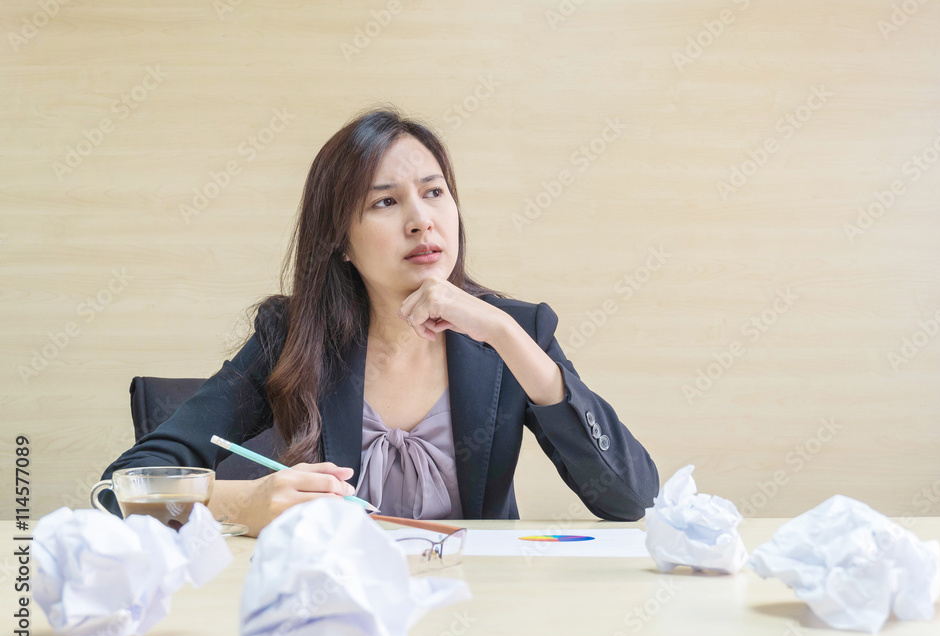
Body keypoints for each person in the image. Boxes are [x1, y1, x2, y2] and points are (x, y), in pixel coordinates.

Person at [100, 105, 660, 536]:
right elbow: (119, 489)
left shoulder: (514, 332)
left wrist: (506, 337)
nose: (422, 221)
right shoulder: (293, 337)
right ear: (340, 241)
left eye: (435, 193)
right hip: (334, 607)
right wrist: (241, 503)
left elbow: (630, 499)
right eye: (385, 203)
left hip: (478, 607)